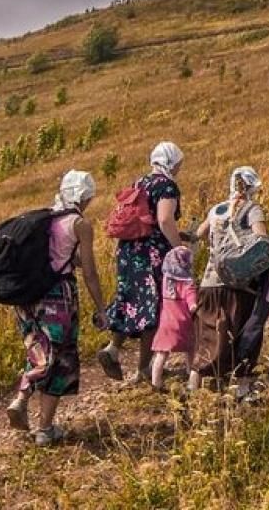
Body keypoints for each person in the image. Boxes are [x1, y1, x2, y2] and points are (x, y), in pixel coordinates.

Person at [7, 170, 107, 447]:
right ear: (84, 197)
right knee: (59, 359)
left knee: (39, 351)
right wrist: (101, 308)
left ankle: (23, 401)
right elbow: (90, 273)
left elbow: (57, 256)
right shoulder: (79, 224)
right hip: (56, 297)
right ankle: (42, 424)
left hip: (26, 297)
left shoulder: (45, 219)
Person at [100, 142, 184, 385]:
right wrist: (179, 247)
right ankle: (144, 368)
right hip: (152, 253)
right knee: (152, 305)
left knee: (129, 297)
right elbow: (165, 220)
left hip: (129, 250)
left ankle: (113, 348)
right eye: (178, 163)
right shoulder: (167, 186)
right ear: (171, 162)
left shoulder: (140, 182)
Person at [190, 166, 268, 398]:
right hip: (238, 282)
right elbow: (262, 240)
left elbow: (199, 233)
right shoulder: (252, 209)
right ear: (251, 187)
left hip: (210, 280)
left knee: (208, 331)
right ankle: (242, 387)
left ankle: (193, 385)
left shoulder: (216, 210)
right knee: (241, 331)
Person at [147, 245, 196, 392]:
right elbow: (192, 304)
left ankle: (156, 382)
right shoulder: (188, 283)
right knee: (190, 349)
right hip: (183, 322)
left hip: (166, 321)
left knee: (162, 352)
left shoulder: (166, 281)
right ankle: (190, 375)